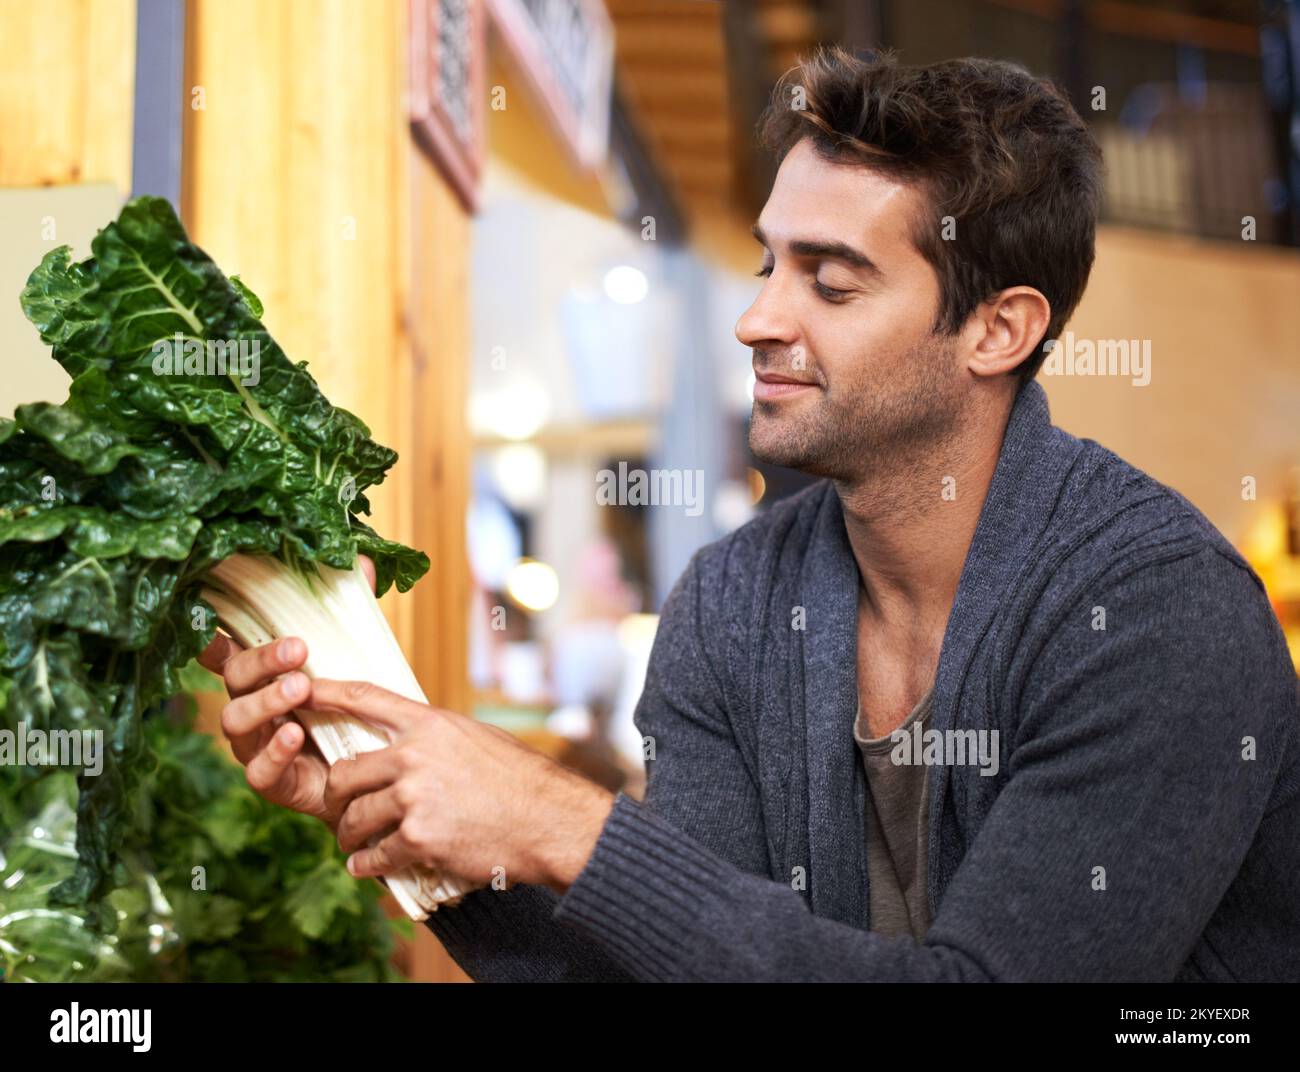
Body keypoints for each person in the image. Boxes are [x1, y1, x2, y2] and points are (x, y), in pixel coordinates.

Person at [198, 46, 1300, 982]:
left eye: (831, 281)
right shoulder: (734, 601)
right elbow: (678, 964)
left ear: (998, 331)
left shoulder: (1157, 614)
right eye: (772, 260)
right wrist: (419, 829)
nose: (758, 317)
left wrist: (566, 825)